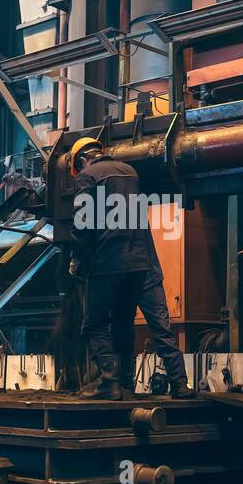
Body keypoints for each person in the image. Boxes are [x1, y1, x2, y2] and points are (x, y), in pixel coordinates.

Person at [68, 136, 194, 401]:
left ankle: (110, 382)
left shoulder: (88, 177)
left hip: (109, 261)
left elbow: (82, 223)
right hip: (142, 261)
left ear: (81, 160)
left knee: (93, 325)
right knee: (139, 325)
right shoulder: (130, 172)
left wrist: (78, 259)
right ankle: (178, 385)